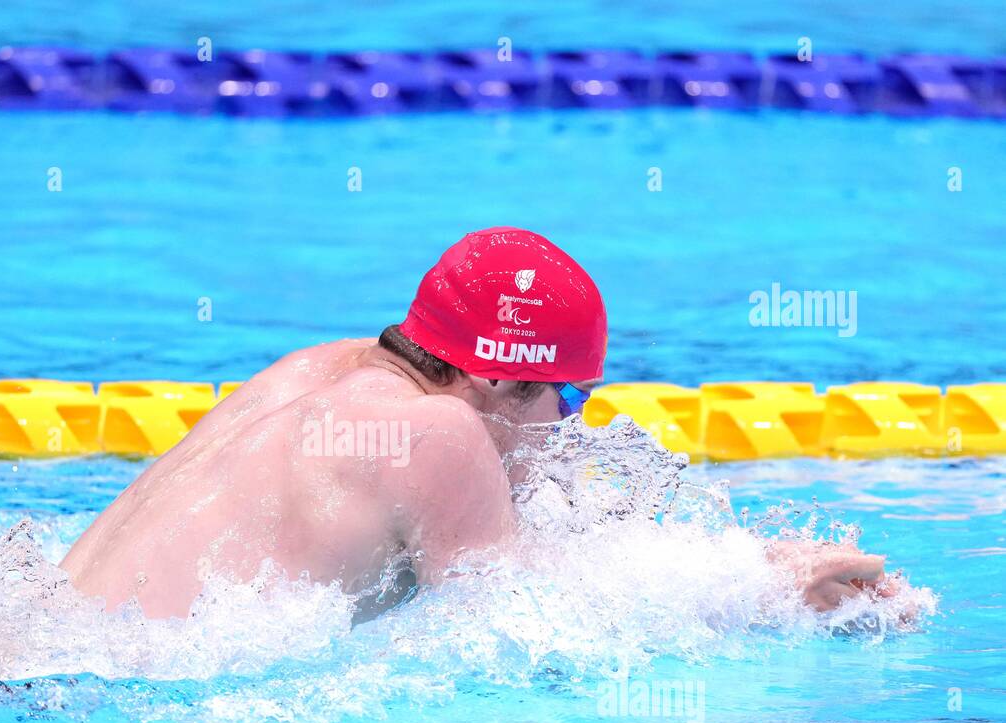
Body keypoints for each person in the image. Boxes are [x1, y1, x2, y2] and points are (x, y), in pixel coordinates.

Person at [62, 227, 895, 618]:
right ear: (494, 375)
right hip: (79, 699)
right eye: (569, 398)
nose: (571, 430)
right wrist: (765, 593)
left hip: (6, 650)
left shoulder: (319, 367)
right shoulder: (443, 435)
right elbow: (521, 628)